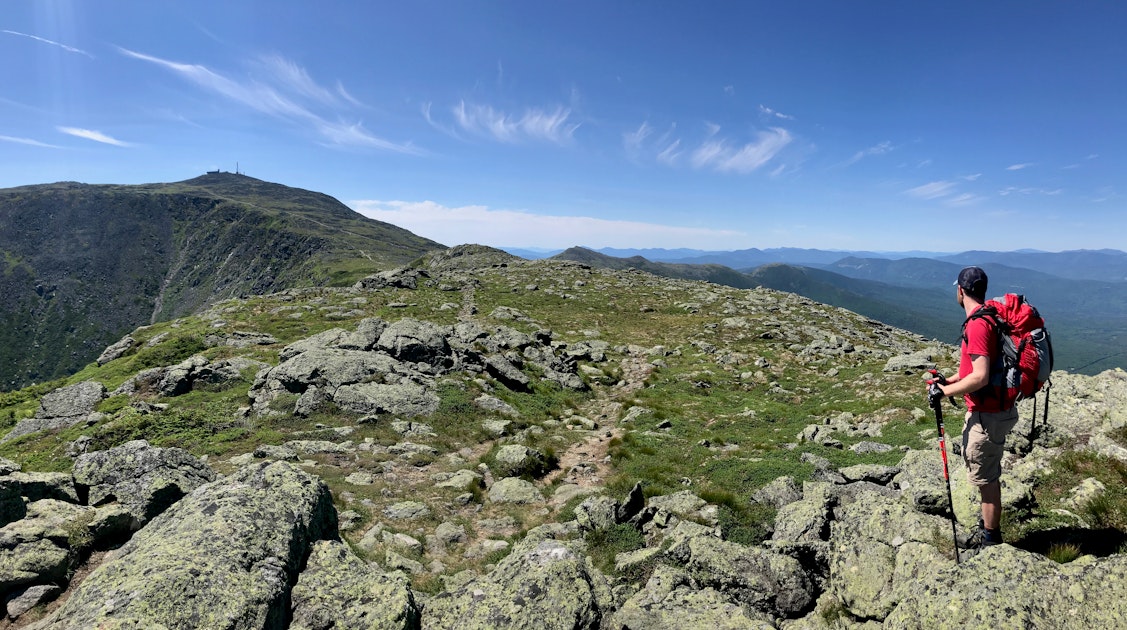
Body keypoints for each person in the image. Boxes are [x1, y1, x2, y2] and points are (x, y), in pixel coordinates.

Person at [931, 266, 1019, 548]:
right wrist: (950, 381)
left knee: (987, 480)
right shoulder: (987, 317)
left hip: (988, 415)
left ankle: (991, 541)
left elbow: (980, 377)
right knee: (985, 475)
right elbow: (974, 369)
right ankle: (986, 530)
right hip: (991, 410)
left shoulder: (978, 324)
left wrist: (944, 393)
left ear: (960, 290)